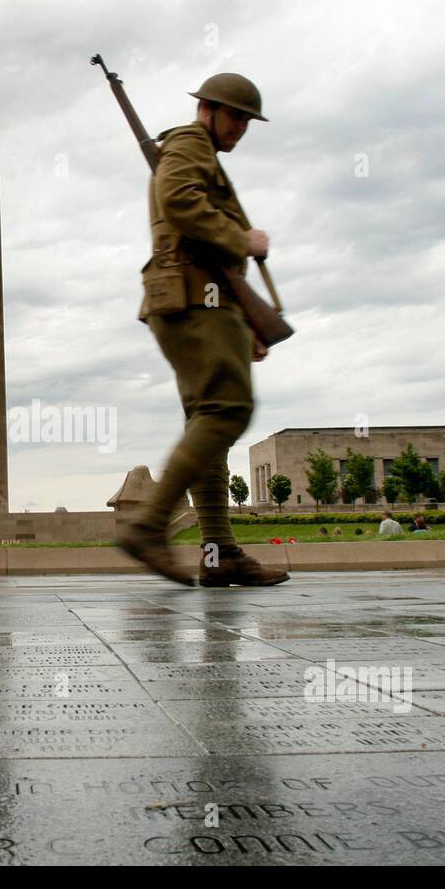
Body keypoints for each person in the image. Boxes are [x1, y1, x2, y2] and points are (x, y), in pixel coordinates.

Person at [116, 72, 287, 588]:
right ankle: (149, 527)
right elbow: (180, 200)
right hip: (192, 295)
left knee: (208, 428)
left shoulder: (198, 149)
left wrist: (244, 320)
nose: (240, 127)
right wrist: (243, 240)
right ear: (208, 109)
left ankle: (220, 554)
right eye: (235, 115)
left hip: (204, 297)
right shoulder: (190, 142)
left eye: (246, 120)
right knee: (227, 410)